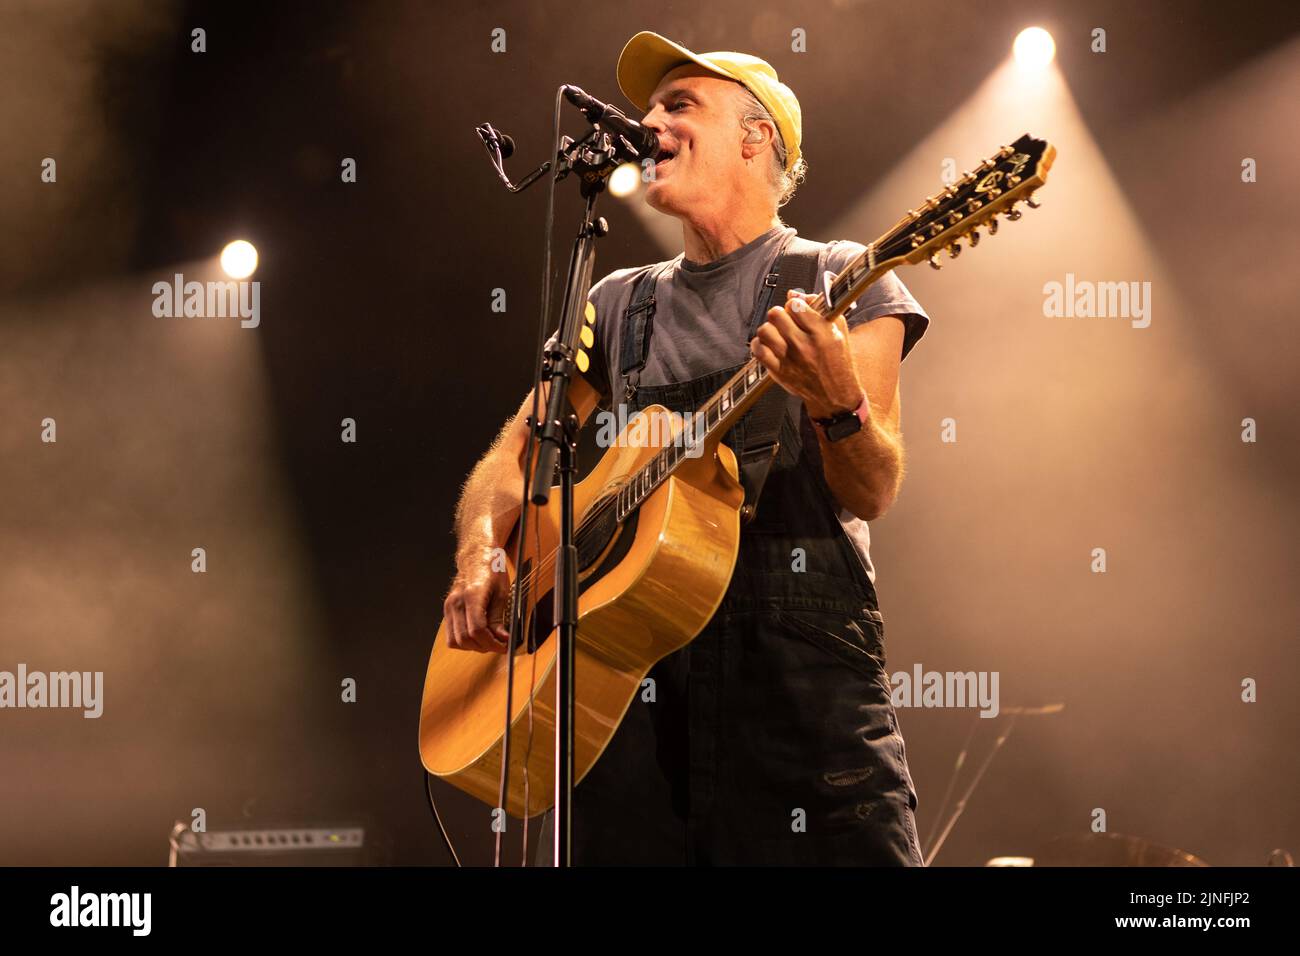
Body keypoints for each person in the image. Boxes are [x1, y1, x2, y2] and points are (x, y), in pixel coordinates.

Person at [443, 31, 930, 865]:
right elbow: (518, 452)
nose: (649, 120)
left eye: (678, 105)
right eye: (648, 106)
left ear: (756, 137)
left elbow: (873, 487)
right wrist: (482, 555)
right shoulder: (615, 298)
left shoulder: (839, 275)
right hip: (634, 698)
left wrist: (836, 400)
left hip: (800, 697)